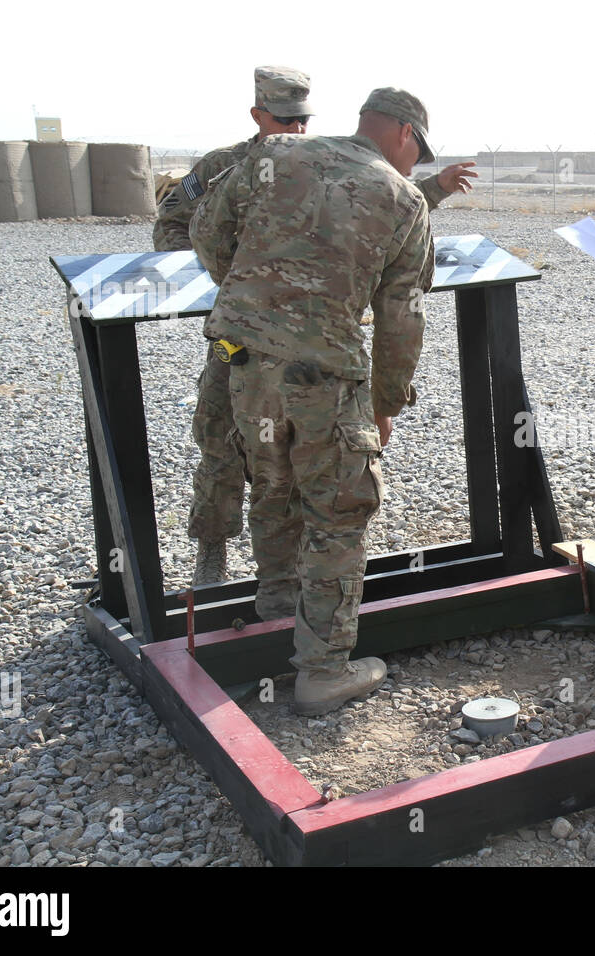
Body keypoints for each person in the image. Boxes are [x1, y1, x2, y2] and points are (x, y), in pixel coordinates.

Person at [159, 66, 476, 589]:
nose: (295, 128)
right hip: (242, 338)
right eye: (283, 118)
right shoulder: (230, 162)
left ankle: (287, 585)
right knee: (219, 439)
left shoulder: (308, 156)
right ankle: (215, 553)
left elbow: (359, 211)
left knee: (290, 464)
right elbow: (185, 226)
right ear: (258, 115)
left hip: (285, 341)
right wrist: (241, 285)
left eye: (301, 119)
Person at [190, 87, 438, 715]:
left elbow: (208, 234)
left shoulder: (277, 152)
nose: (416, 163)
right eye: (418, 150)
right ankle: (323, 669)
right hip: (324, 376)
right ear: (405, 133)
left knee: (271, 486)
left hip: (243, 363)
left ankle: (276, 613)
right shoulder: (403, 198)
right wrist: (387, 401)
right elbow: (400, 316)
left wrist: (258, 305)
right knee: (339, 513)